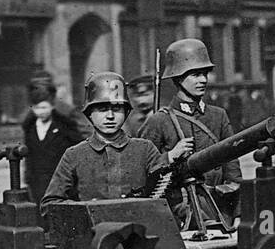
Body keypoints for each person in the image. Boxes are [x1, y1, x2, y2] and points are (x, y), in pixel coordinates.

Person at [136, 38, 241, 230]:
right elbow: (139, 168)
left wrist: (239, 212)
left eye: (205, 74)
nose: (202, 80)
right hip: (179, 212)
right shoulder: (159, 121)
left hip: (220, 208)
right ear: (178, 78)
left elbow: (232, 169)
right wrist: (169, 156)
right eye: (194, 74)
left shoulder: (218, 116)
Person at [41, 72, 184, 208]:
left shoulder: (145, 150)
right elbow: (50, 203)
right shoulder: (74, 155)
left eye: (116, 109)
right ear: (90, 114)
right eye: (102, 109)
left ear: (126, 112)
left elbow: (169, 194)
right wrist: (86, 210)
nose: (110, 116)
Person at [22, 82, 85, 205]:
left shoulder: (64, 125)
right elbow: (29, 155)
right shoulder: (29, 127)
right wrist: (28, 177)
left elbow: (77, 147)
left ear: (51, 107)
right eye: (37, 108)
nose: (41, 112)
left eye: (44, 107)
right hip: (38, 179)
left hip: (60, 177)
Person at [25, 70, 91, 140]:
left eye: (40, 88)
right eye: (33, 88)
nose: (36, 92)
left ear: (50, 89)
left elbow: (86, 135)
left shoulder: (66, 110)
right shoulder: (30, 115)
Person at [122, 72, 157, 137]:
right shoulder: (132, 121)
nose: (141, 101)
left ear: (154, 94)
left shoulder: (163, 117)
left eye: (146, 95)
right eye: (137, 96)